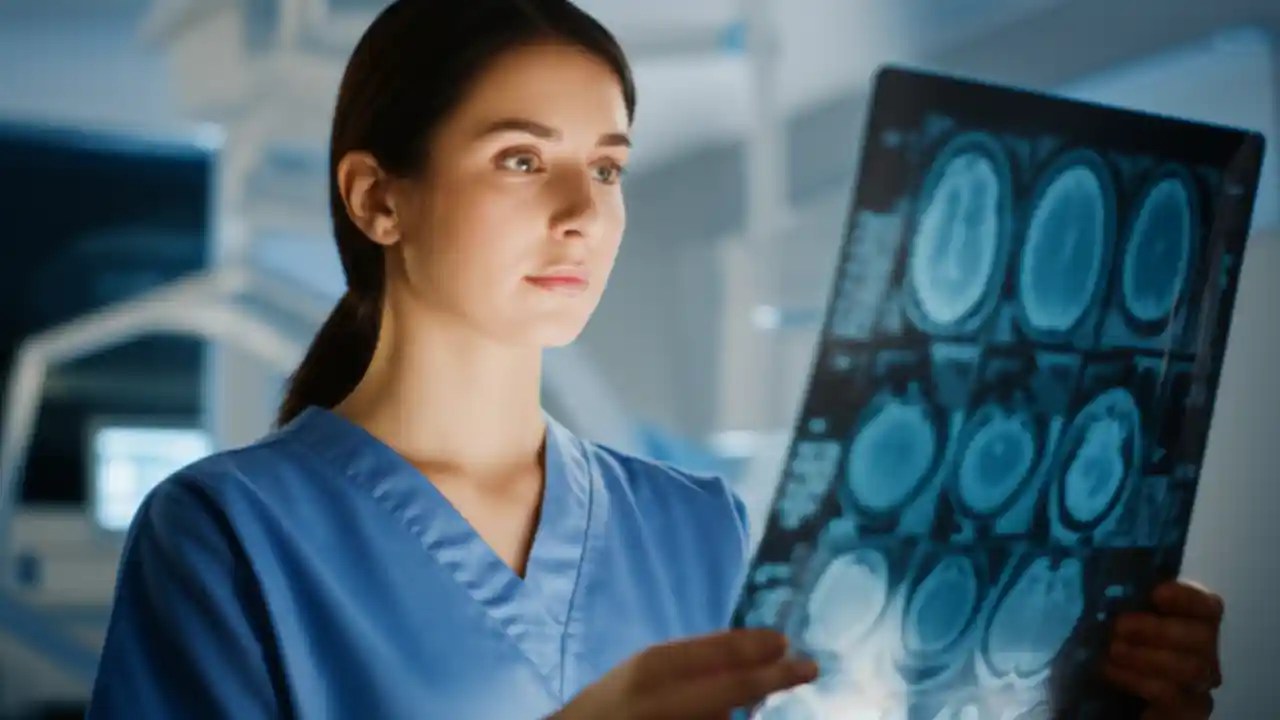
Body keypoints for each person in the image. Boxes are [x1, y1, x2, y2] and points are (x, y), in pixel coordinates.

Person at [86, 1, 1226, 718]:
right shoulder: (226, 537)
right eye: (523, 161)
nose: (586, 210)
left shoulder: (699, 527)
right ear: (379, 197)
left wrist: (1108, 699)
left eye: (612, 166)